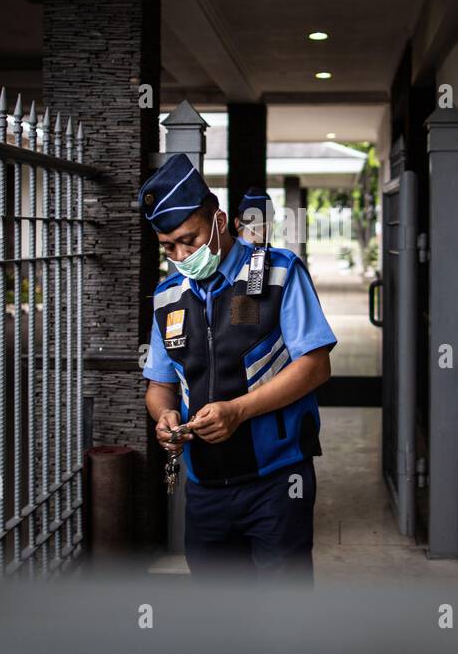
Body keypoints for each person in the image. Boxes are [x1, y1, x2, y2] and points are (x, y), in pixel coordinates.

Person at [138, 154, 336, 585]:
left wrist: (239, 411)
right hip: (205, 484)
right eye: (168, 247)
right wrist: (165, 417)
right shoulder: (167, 296)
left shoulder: (280, 273)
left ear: (219, 221)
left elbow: (316, 366)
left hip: (278, 480)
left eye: (189, 240)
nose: (181, 255)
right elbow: (160, 384)